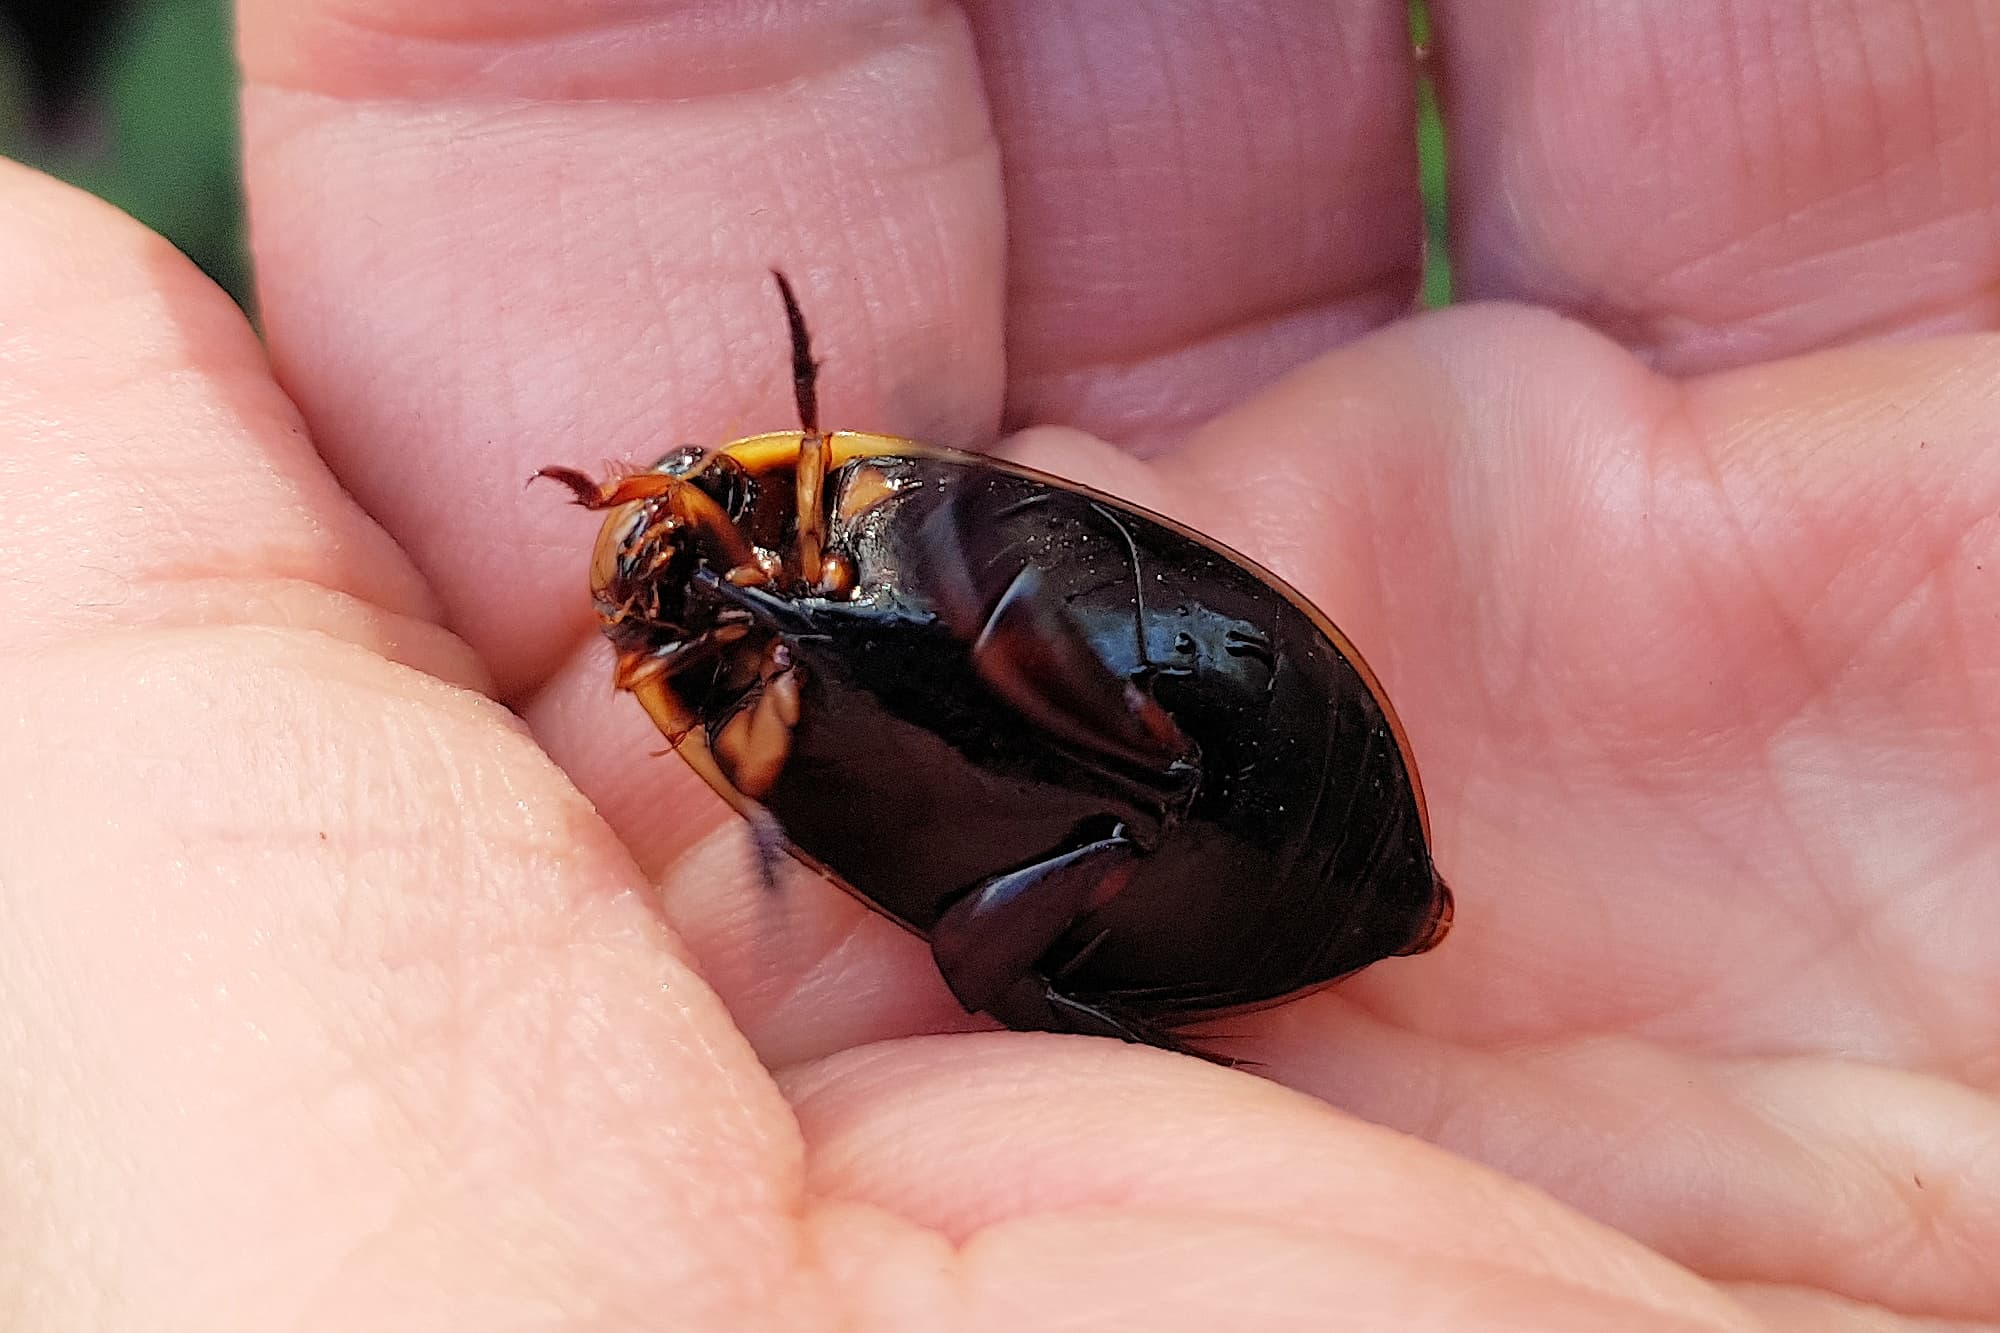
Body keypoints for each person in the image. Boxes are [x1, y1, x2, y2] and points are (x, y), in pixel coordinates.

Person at [4, 2, 1992, 1327]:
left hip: (1201, 760)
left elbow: (955, 579)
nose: (699, 580)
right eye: (706, 589)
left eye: (709, 549)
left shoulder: (867, 527)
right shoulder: (801, 643)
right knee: (993, 837)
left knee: (1011, 724)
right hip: (1148, 817)